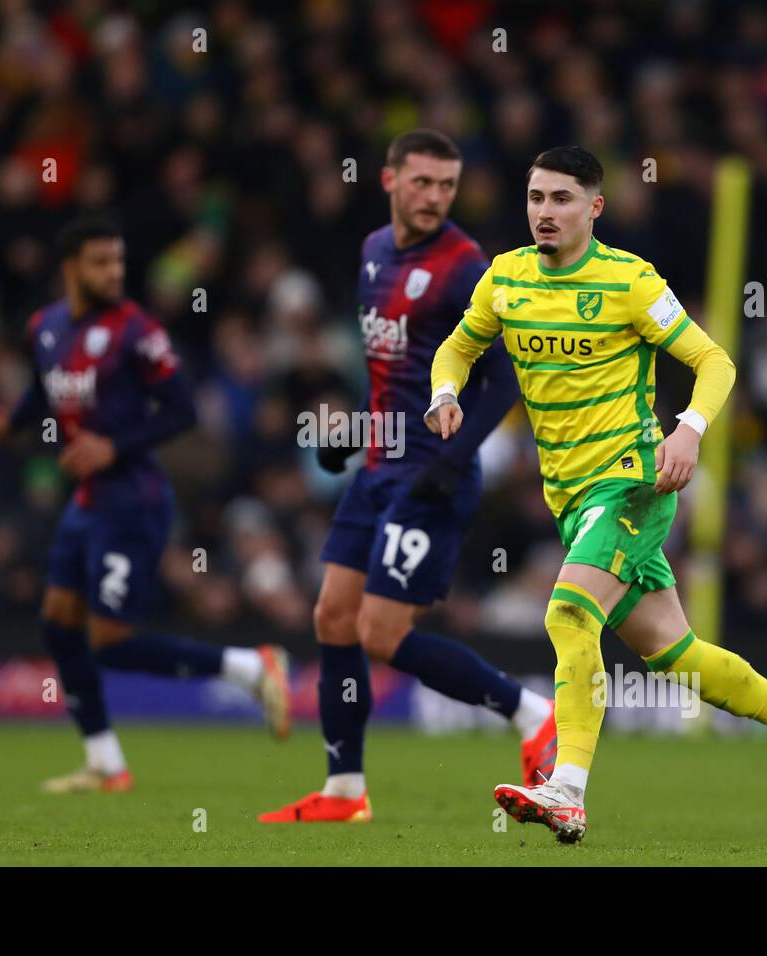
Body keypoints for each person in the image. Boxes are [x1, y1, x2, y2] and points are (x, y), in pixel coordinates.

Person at [427, 146, 767, 844]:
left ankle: (567, 790)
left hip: (633, 480)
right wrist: (445, 392)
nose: (545, 212)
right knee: (676, 655)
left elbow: (714, 360)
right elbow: (458, 348)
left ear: (595, 207)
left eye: (562, 199)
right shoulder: (506, 279)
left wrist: (688, 431)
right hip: (569, 495)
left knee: (566, 616)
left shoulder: (629, 281)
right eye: (536, 198)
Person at [260, 130, 556, 824]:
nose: (434, 197)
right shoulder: (370, 254)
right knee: (331, 615)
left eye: (447, 185)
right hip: (377, 466)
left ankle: (529, 711)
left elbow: (503, 376)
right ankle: (343, 790)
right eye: (422, 182)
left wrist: (452, 460)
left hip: (432, 471)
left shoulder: (463, 266)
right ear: (389, 180)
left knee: (380, 635)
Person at [0, 216, 290, 793]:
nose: (115, 272)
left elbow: (183, 410)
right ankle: (105, 762)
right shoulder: (45, 327)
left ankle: (248, 667)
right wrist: (7, 424)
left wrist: (112, 445)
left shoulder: (135, 330)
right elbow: (45, 389)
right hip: (87, 503)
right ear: (71, 268)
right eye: (101, 262)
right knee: (58, 626)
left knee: (112, 643)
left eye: (119, 261)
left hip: (133, 501)